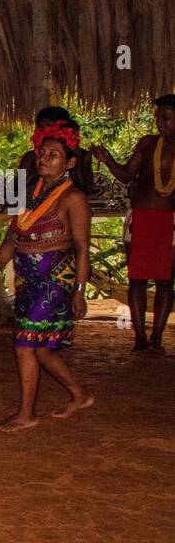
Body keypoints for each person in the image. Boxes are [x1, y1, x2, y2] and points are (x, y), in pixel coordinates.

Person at [0, 119, 94, 430]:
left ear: (70, 162)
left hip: (55, 280)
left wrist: (80, 291)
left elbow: (83, 248)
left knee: (25, 344)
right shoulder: (31, 192)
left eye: (53, 154)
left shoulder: (73, 198)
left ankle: (27, 413)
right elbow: (11, 237)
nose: (44, 158)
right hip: (27, 279)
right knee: (40, 348)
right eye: (42, 152)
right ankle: (79, 395)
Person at [92, 93, 175, 351]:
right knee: (137, 278)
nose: (159, 122)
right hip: (141, 217)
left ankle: (157, 337)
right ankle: (139, 337)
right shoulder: (147, 143)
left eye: (165, 118)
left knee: (165, 281)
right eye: (157, 117)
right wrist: (107, 160)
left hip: (171, 220)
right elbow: (127, 176)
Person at [17, 106, 93, 196]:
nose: (45, 132)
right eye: (41, 128)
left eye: (49, 127)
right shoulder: (30, 158)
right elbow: (19, 189)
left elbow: (86, 187)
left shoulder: (82, 156)